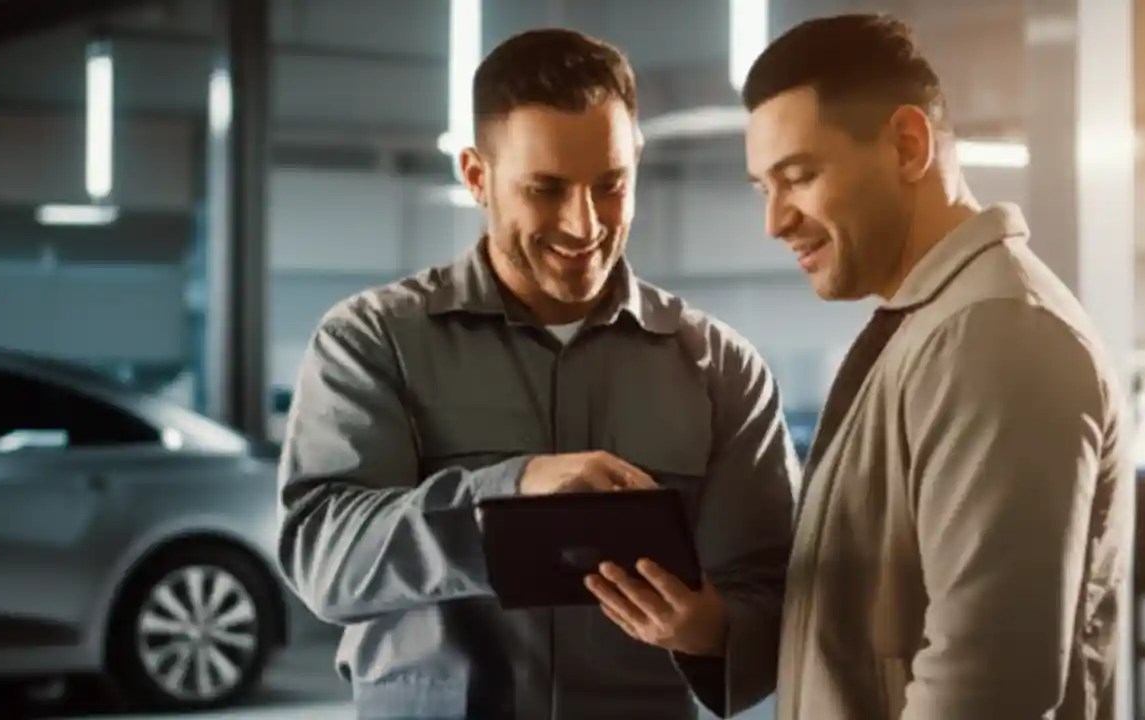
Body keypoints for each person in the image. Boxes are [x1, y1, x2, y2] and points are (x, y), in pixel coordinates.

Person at [277, 28, 796, 720]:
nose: (583, 225)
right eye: (545, 189)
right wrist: (511, 491)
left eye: (610, 186)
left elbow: (778, 592)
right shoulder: (373, 341)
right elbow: (324, 555)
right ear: (475, 176)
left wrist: (709, 629)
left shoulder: (720, 369)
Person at [741, 13, 1133, 720]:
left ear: (907, 144)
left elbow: (985, 685)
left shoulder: (995, 334)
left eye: (798, 177)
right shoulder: (929, 327)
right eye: (762, 188)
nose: (775, 221)